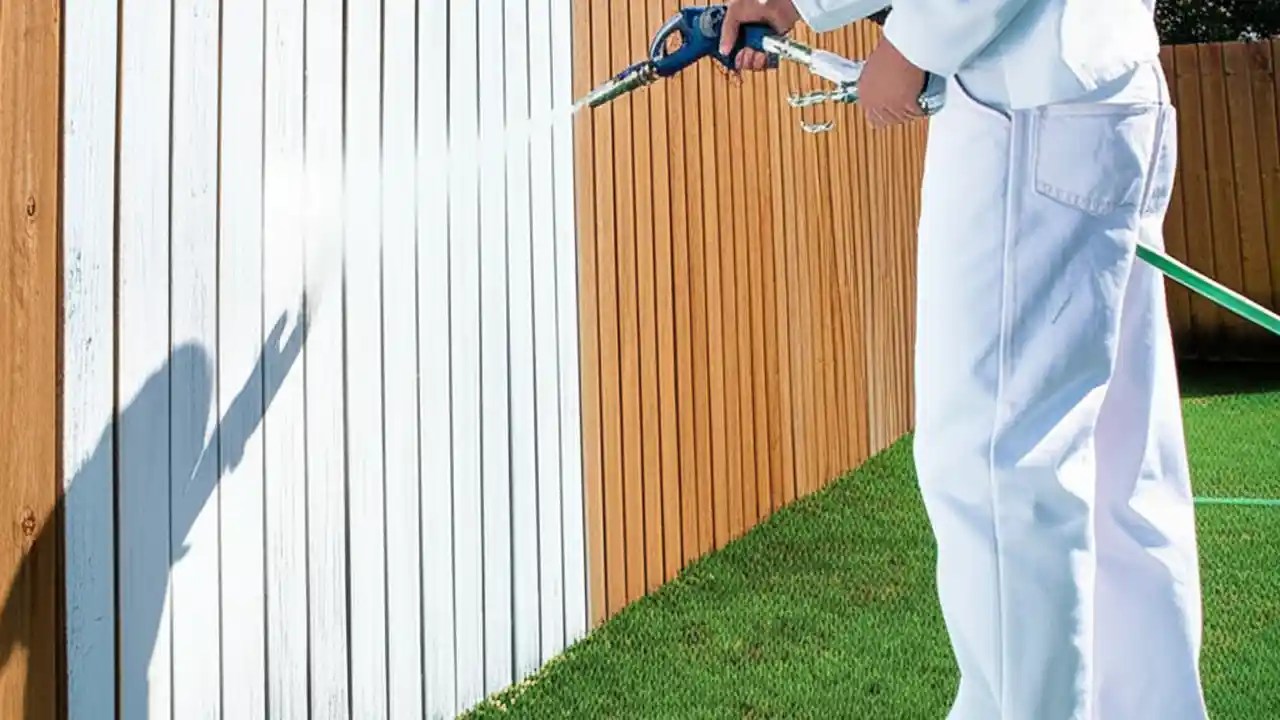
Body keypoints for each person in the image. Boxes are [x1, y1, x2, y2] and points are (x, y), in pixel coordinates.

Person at [721, 1, 1208, 718]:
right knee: (1121, 466)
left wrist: (917, 42)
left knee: (995, 466)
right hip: (1095, 86)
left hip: (1029, 98)